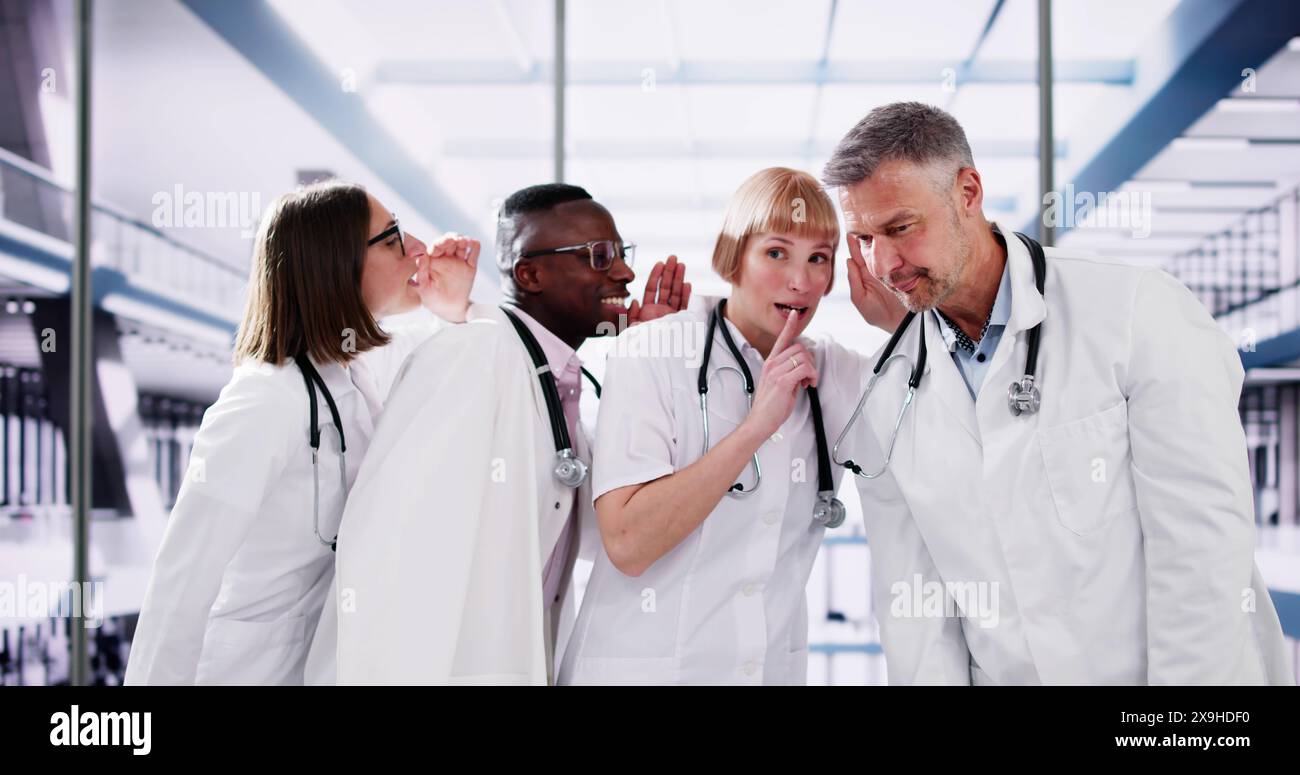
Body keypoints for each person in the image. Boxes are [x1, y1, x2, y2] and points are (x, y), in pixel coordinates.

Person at [823, 101, 1294, 685]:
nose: (883, 263)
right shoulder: (889, 388)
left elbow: (1202, 549)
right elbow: (913, 605)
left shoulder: (1136, 312)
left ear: (967, 192)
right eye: (863, 238)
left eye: (900, 228)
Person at [331, 183, 690, 684]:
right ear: (531, 273)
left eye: (621, 254)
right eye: (601, 256)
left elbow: (597, 535)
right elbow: (391, 550)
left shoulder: (552, 379)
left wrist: (648, 368)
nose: (626, 273)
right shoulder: (472, 354)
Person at [125, 180, 477, 685]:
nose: (419, 250)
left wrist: (450, 304)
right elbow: (181, 583)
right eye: (395, 237)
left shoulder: (355, 375)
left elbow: (456, 373)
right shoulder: (264, 402)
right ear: (336, 261)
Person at [558, 168, 874, 685]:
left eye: (819, 258)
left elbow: (933, 419)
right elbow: (628, 541)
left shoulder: (837, 373)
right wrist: (755, 428)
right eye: (776, 253)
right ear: (733, 257)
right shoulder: (653, 350)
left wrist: (890, 318)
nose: (801, 281)